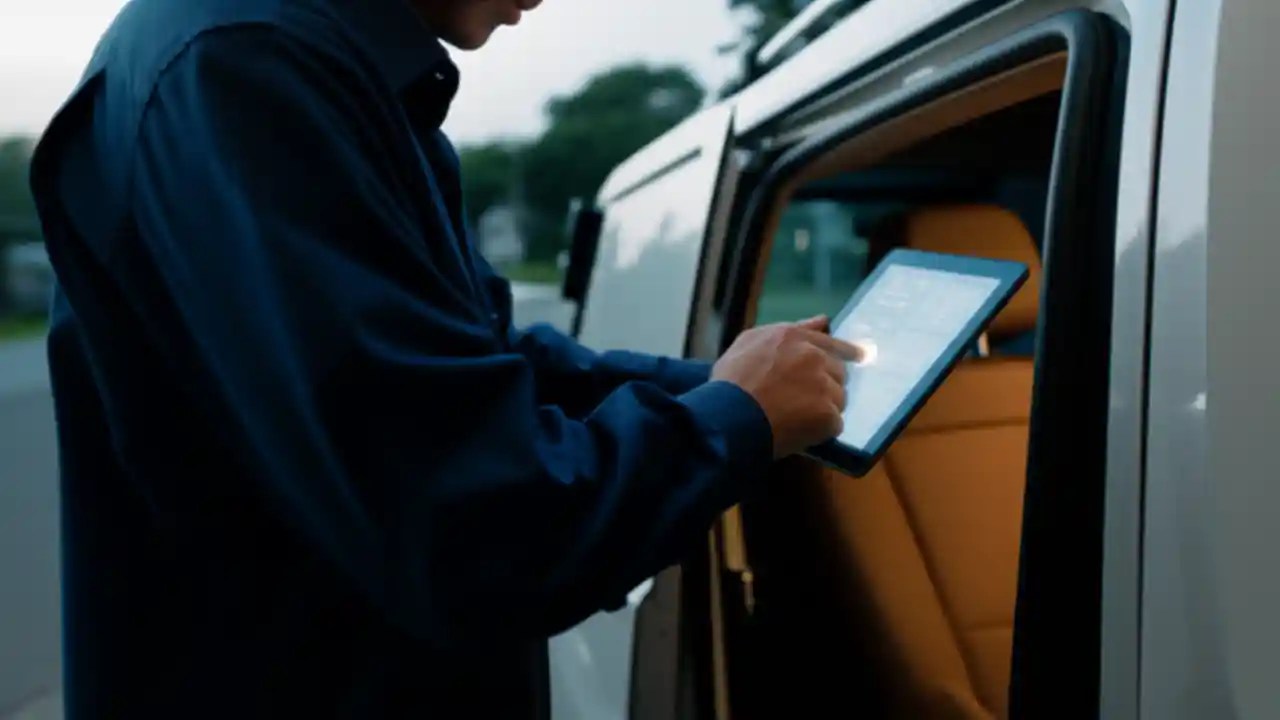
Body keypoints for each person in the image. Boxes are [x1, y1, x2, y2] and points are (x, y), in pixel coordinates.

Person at [29, 0, 861, 717]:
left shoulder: (300, 59)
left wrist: (726, 384)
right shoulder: (248, 65)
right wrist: (734, 420)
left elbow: (470, 357)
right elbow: (473, 526)